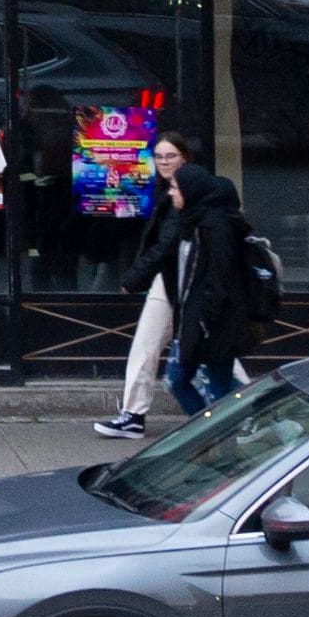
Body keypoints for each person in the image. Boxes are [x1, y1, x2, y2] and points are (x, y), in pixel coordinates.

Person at [91, 131, 192, 440]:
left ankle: (251, 410)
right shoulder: (164, 188)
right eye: (159, 156)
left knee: (208, 349)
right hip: (169, 279)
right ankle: (133, 414)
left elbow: (168, 243)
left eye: (170, 155)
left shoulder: (184, 190)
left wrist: (135, 277)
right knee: (146, 345)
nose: (164, 162)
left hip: (189, 279)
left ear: (184, 158)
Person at [167, 164, 263, 413]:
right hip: (196, 321)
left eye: (175, 188)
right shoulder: (193, 223)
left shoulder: (215, 227)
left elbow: (220, 279)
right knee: (179, 380)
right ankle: (209, 438)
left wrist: (205, 323)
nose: (171, 193)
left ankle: (219, 440)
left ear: (190, 191)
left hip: (213, 325)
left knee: (217, 388)